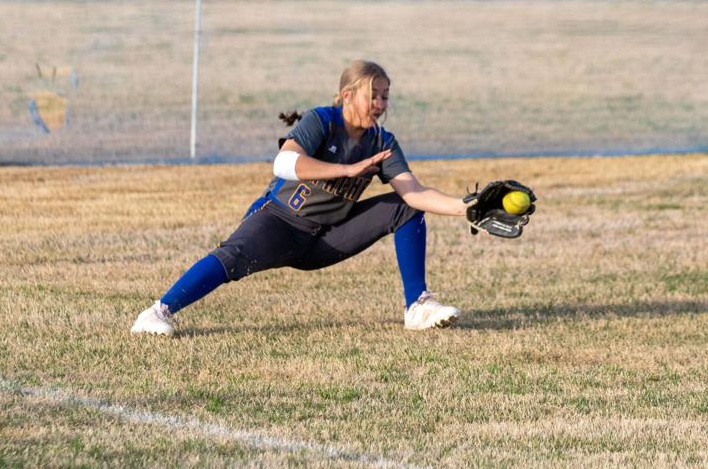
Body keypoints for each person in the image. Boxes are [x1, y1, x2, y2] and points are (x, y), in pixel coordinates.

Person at [131, 60, 471, 336]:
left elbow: (415, 193)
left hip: (326, 238)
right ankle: (157, 312)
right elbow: (284, 162)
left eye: (385, 96)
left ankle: (417, 306)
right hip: (280, 221)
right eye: (374, 96)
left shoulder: (382, 141)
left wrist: (467, 208)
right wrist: (347, 170)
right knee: (231, 259)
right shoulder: (321, 120)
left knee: (403, 208)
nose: (381, 104)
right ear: (348, 95)